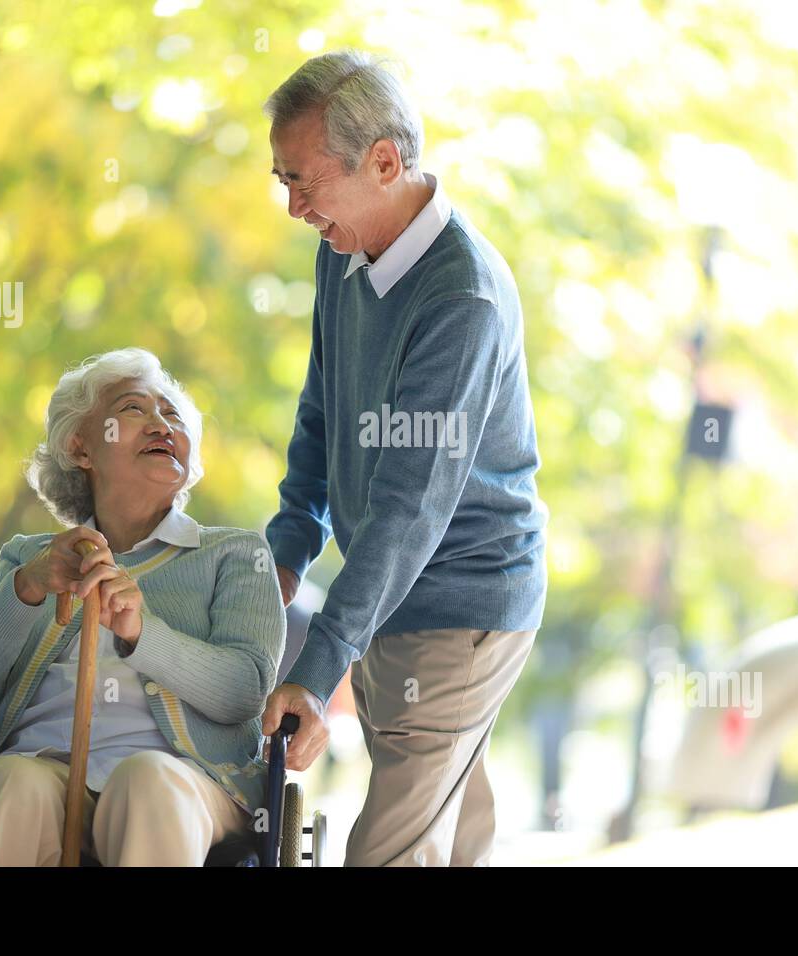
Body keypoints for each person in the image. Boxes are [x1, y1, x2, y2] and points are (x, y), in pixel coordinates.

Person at [260, 50, 548, 866]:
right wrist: (287, 551)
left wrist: (317, 672)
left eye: (305, 183)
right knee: (453, 842)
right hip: (395, 596)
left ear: (385, 161)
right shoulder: (343, 250)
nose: (293, 208)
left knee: (389, 850)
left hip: (462, 602)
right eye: (282, 180)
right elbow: (321, 415)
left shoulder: (462, 297)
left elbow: (408, 508)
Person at [0, 347, 285, 865]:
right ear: (81, 447)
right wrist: (25, 589)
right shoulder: (30, 557)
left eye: (173, 415)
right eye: (135, 409)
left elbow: (243, 694)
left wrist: (144, 634)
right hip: (40, 765)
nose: (162, 424)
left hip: (187, 777)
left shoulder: (235, 553)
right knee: (8, 784)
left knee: (147, 783)